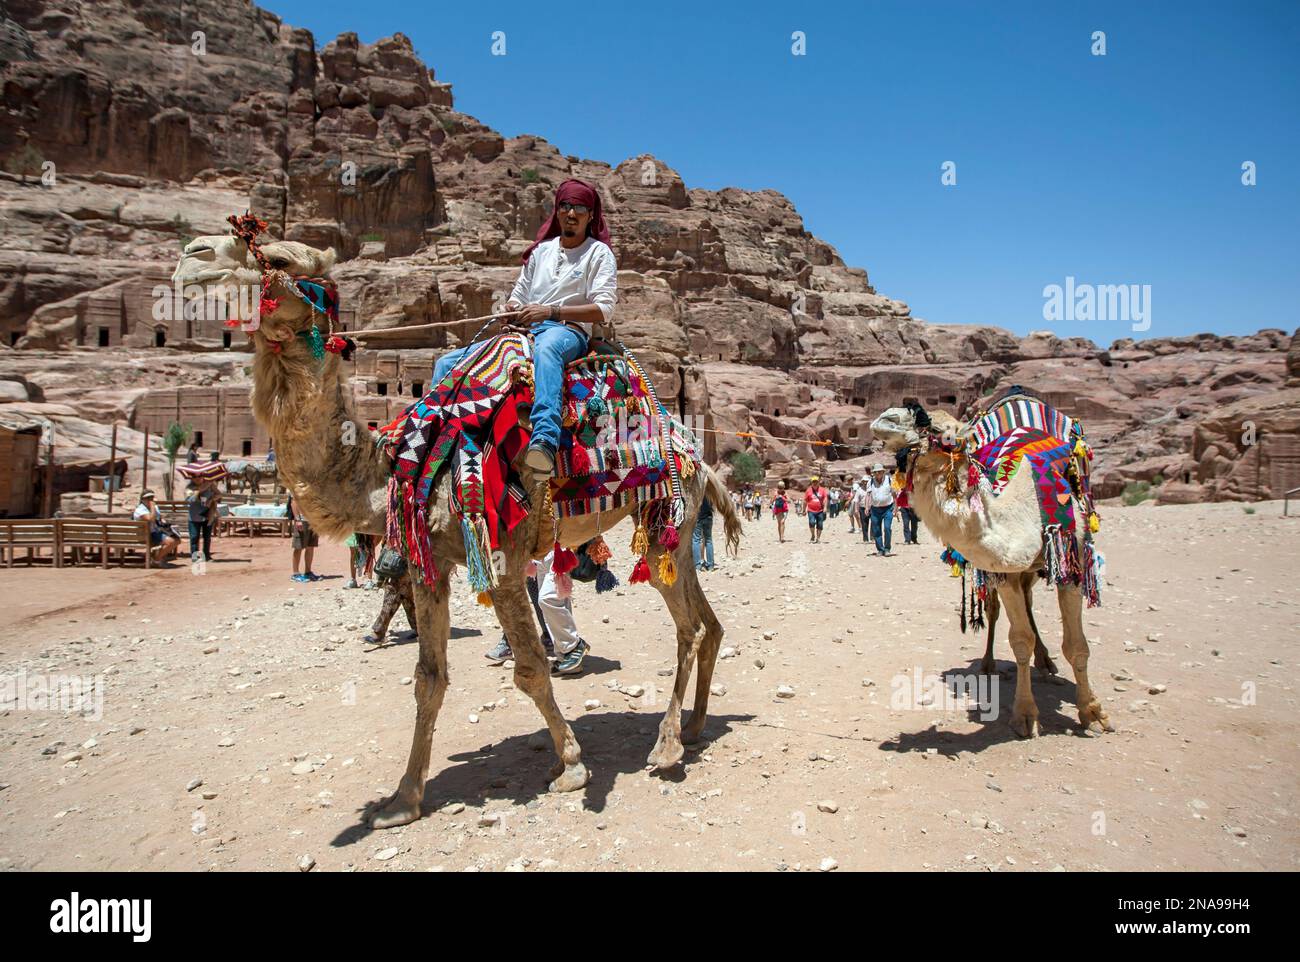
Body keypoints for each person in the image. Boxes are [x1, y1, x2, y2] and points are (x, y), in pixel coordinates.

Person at [431, 179, 616, 477]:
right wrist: (511, 312)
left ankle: (545, 436)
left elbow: (603, 309)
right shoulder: (541, 252)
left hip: (567, 332)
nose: (571, 213)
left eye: (579, 208)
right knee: (447, 363)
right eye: (565, 206)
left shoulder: (598, 254)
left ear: (591, 215)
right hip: (525, 333)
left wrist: (551, 311)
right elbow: (519, 297)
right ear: (556, 211)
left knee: (549, 348)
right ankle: (438, 436)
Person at [484, 546, 588, 674]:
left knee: (547, 599)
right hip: (538, 553)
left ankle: (573, 646)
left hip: (555, 547)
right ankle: (565, 656)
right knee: (554, 602)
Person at [133, 489, 180, 564]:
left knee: (177, 540)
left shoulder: (155, 507)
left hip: (156, 531)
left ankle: (156, 557)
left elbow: (159, 517)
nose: (150, 500)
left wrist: (162, 520)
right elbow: (150, 519)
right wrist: (152, 507)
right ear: (142, 500)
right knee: (171, 542)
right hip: (145, 534)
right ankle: (156, 559)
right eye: (147, 498)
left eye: (151, 497)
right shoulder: (140, 510)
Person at [286, 494, 320, 582]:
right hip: (302, 520)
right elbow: (294, 502)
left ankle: (308, 572)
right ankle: (295, 574)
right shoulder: (298, 484)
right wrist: (297, 519)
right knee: (299, 547)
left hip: (313, 520)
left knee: (310, 547)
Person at [184, 479, 219, 562]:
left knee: (207, 537)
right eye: (196, 476)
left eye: (200, 476)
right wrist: (200, 490)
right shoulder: (189, 488)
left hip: (207, 515)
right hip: (194, 517)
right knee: (194, 537)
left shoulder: (210, 485)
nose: (198, 478)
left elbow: (219, 494)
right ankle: (195, 557)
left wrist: (211, 499)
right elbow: (190, 500)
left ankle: (206, 556)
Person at [866, 462, 895, 556]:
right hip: (875, 509)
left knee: (887, 528)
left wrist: (896, 508)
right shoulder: (870, 482)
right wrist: (867, 507)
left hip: (888, 508)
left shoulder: (889, 480)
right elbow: (868, 495)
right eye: (875, 472)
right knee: (876, 530)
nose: (877, 474)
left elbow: (894, 495)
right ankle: (880, 549)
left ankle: (887, 548)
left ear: (883, 472)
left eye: (879, 472)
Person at [692, 495, 716, 571]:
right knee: (709, 540)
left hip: (698, 517)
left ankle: (697, 565)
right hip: (708, 516)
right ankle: (710, 565)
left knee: (696, 540)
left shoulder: (697, 491)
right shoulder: (710, 492)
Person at [804, 475, 828, 543]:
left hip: (820, 510)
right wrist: (804, 510)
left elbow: (825, 499)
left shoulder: (822, 490)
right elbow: (805, 501)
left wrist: (825, 507)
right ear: (811, 483)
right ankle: (813, 535)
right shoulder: (808, 490)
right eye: (813, 482)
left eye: (816, 482)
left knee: (820, 524)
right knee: (811, 523)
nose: (815, 483)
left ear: (818, 482)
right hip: (811, 510)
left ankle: (818, 538)